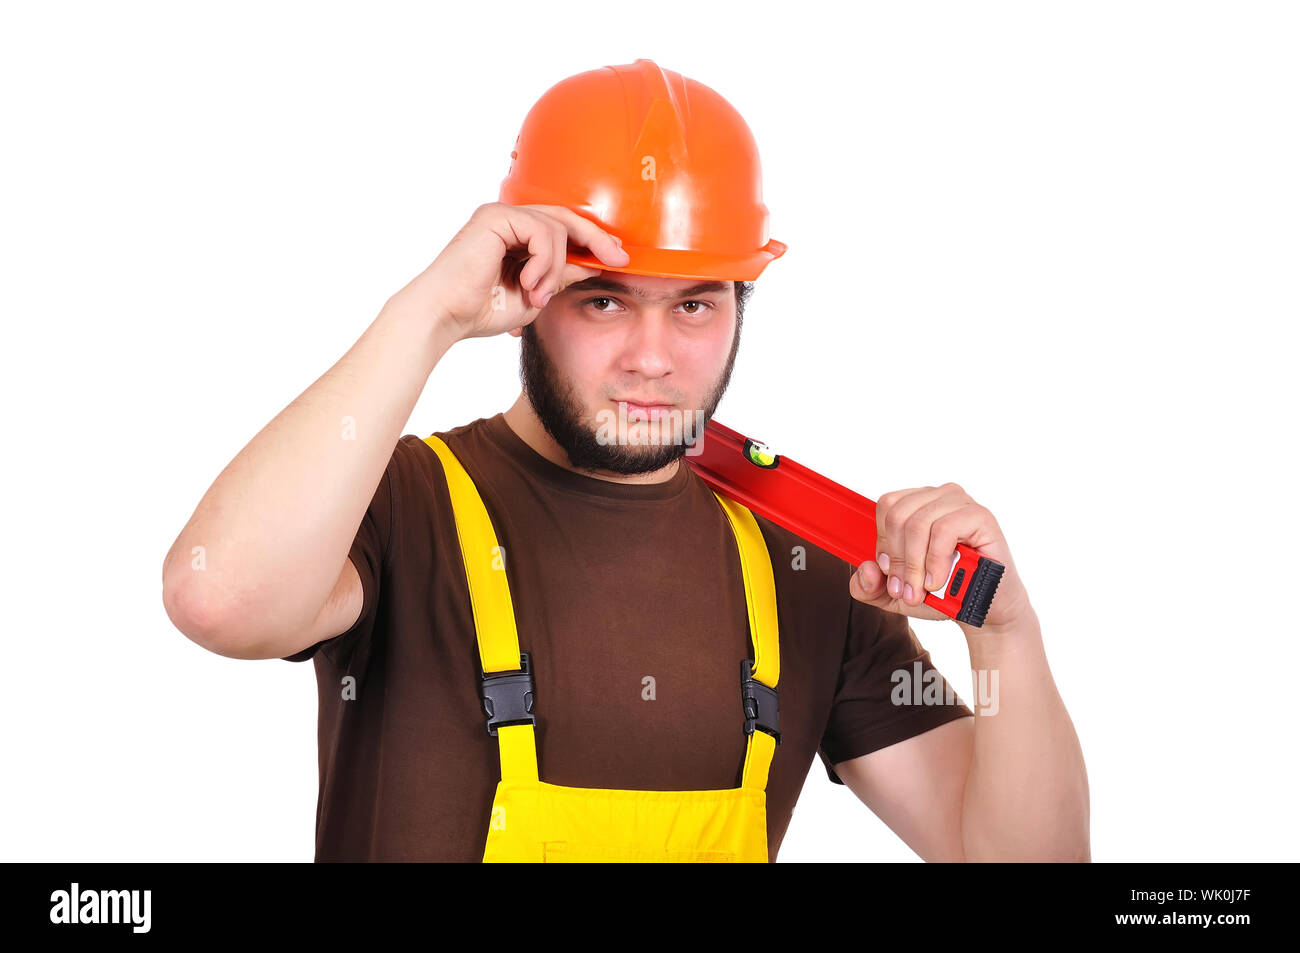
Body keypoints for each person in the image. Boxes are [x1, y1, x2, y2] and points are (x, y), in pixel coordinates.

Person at [162, 60, 1088, 862]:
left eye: (695, 304)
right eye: (604, 300)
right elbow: (218, 598)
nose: (654, 357)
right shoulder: (401, 503)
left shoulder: (803, 565)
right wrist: (429, 314)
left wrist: (1006, 635)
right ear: (524, 288)